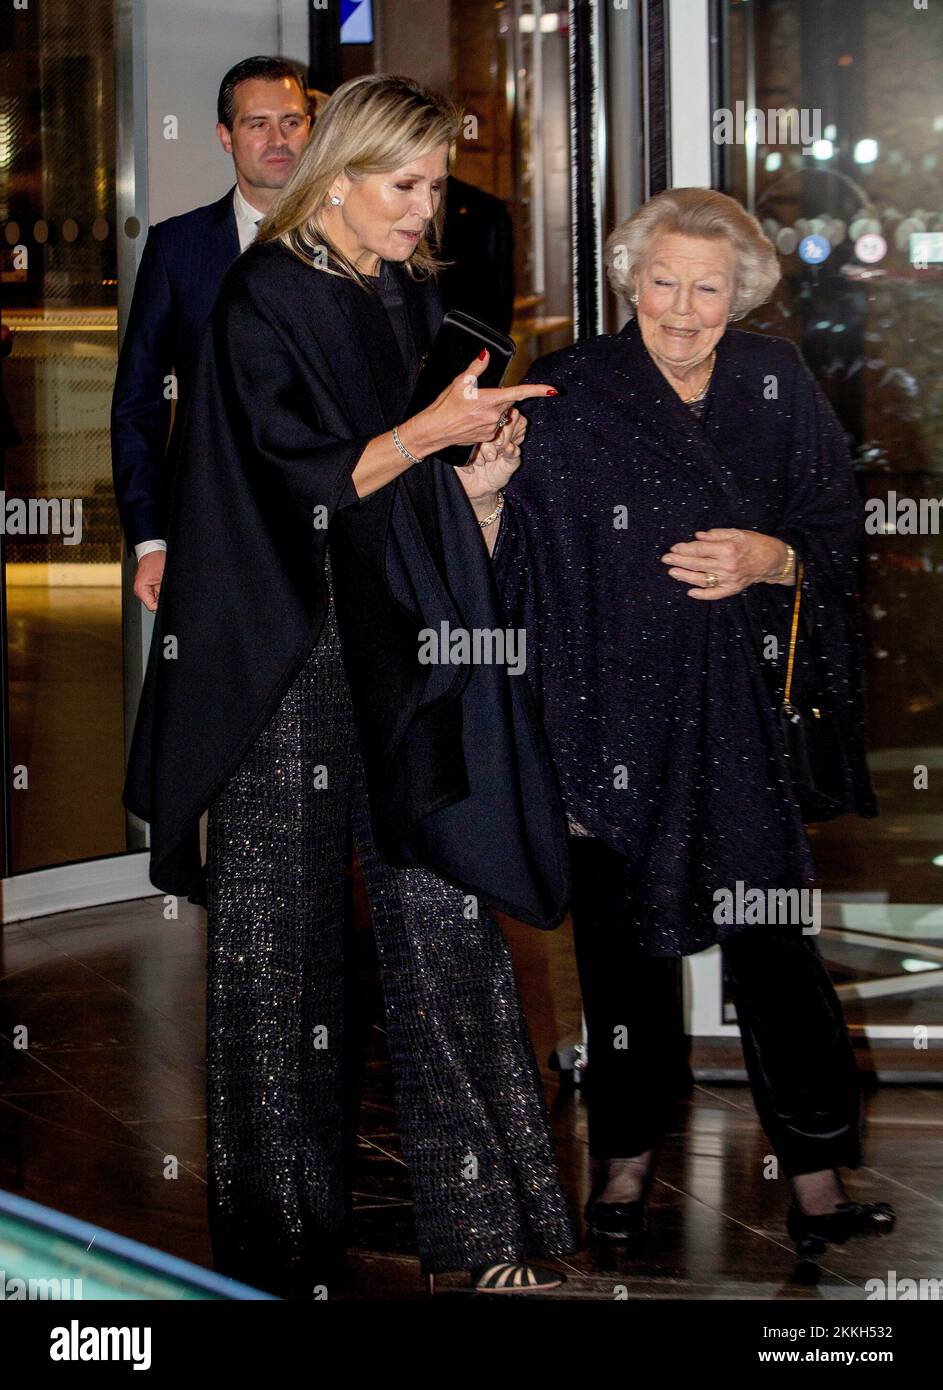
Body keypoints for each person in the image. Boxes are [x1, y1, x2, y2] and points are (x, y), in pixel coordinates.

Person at [123, 73, 575, 1298]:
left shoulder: (411, 298)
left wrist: (474, 484)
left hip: (398, 649)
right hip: (279, 659)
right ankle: (279, 1247)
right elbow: (296, 482)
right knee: (279, 957)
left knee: (447, 917)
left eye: (435, 187)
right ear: (339, 176)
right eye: (405, 185)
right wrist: (428, 439)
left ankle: (485, 1231)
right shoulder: (260, 298)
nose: (425, 213)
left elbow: (404, 497)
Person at [489, 186, 895, 1260]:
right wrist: (483, 501)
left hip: (741, 724)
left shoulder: (774, 382)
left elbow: (835, 526)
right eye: (662, 281)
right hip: (605, 722)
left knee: (775, 955)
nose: (681, 307)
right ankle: (621, 1164)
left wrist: (773, 556)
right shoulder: (571, 387)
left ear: (740, 295)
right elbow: (513, 555)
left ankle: (814, 1179)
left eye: (707, 288)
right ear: (630, 279)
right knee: (622, 968)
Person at [111, 56, 312, 612]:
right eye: (258, 124)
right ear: (226, 137)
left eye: (292, 121)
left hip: (327, 526)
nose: (279, 139)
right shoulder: (178, 249)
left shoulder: (355, 246)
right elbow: (137, 402)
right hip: (206, 526)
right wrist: (151, 541)